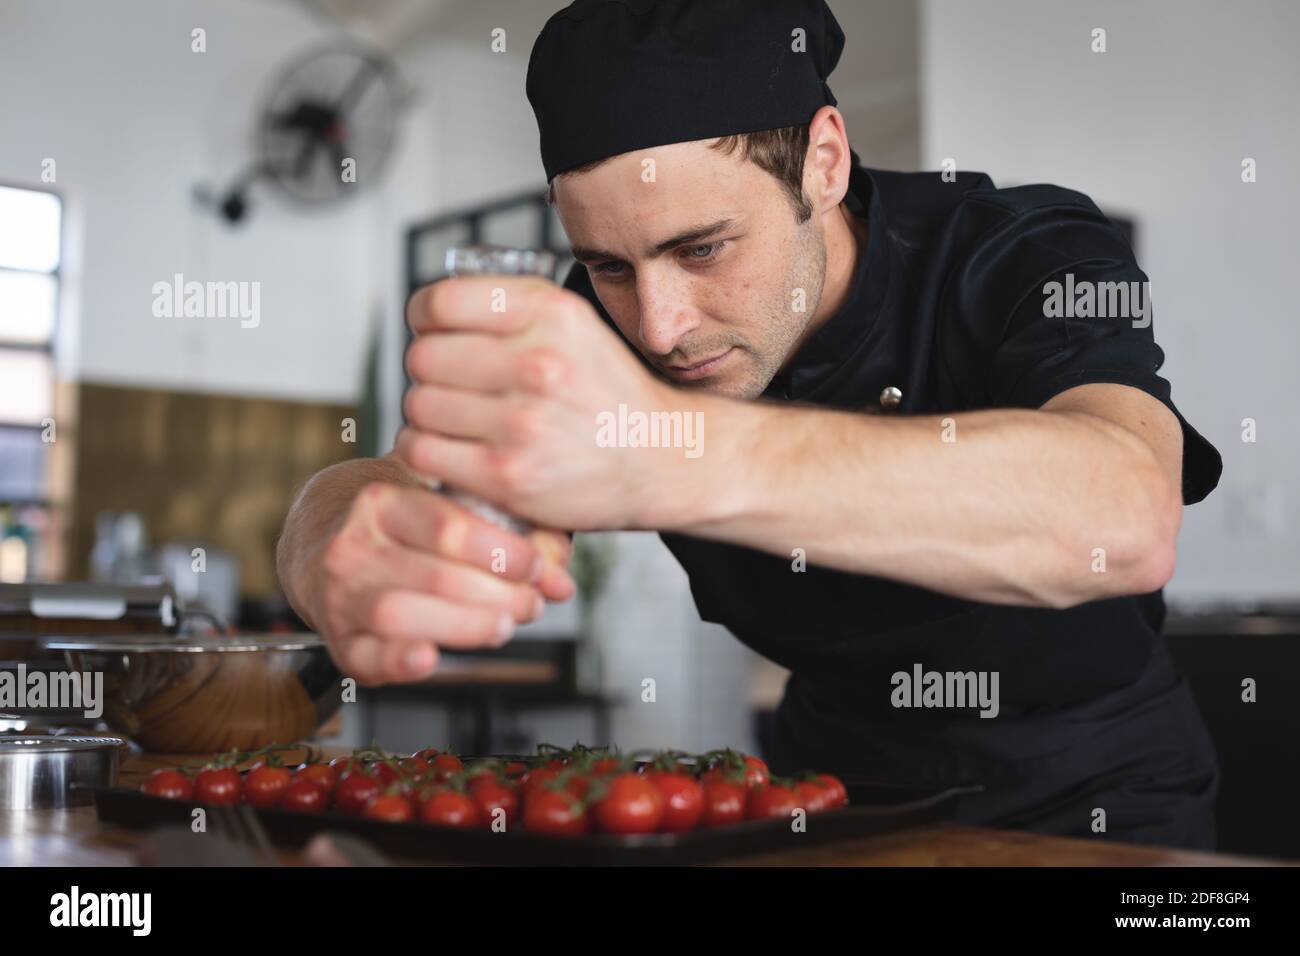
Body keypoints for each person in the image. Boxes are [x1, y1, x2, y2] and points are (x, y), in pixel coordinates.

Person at [277, 0, 1221, 848]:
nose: (658, 326)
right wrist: (330, 541)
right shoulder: (599, 321)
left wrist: (672, 452)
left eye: (702, 248)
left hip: (1096, 787)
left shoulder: (1022, 254)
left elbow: (1125, 513)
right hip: (829, 788)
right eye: (607, 265)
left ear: (824, 160)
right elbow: (409, 481)